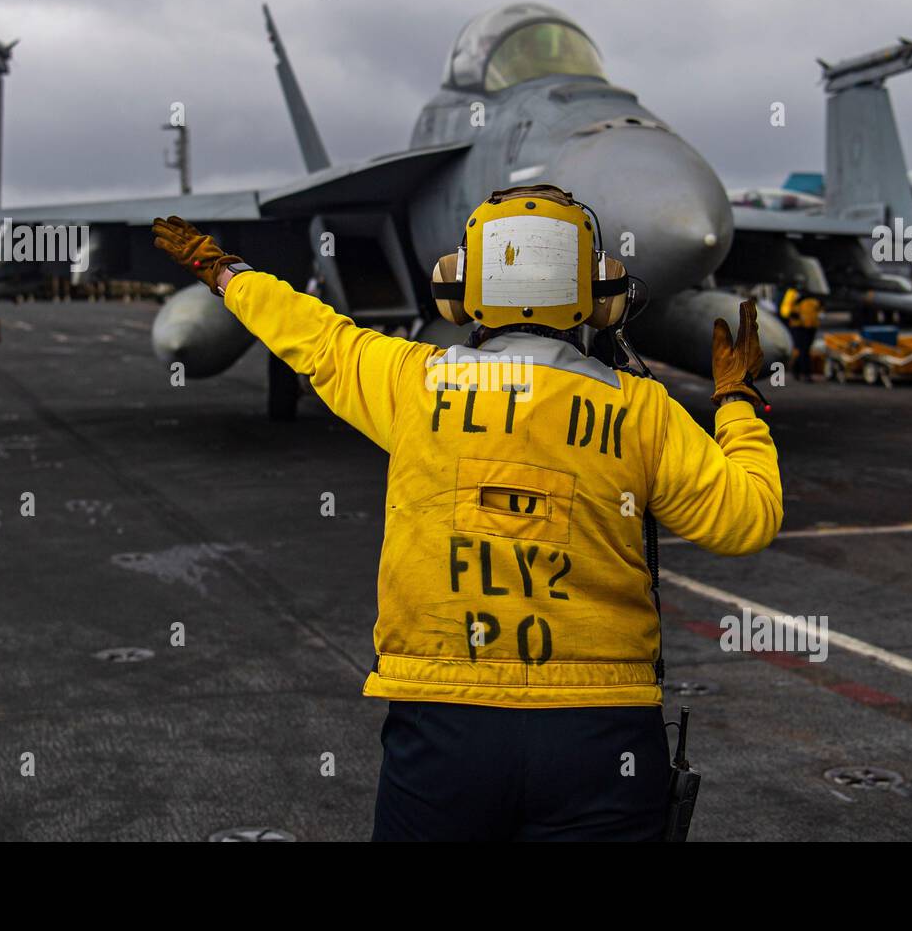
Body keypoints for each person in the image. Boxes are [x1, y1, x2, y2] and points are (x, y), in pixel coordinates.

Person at [152, 185, 783, 842]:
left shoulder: (413, 383)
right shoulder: (643, 413)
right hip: (602, 735)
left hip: (444, 732)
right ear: (598, 297)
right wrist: (737, 400)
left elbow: (314, 335)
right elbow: (747, 520)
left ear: (462, 289)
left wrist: (222, 270)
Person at [787, 286, 822, 382]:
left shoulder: (814, 296)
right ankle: (806, 373)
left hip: (811, 326)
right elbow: (786, 310)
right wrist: (793, 315)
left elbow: (819, 310)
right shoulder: (793, 294)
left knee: (805, 349)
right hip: (799, 326)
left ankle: (796, 369)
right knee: (803, 350)